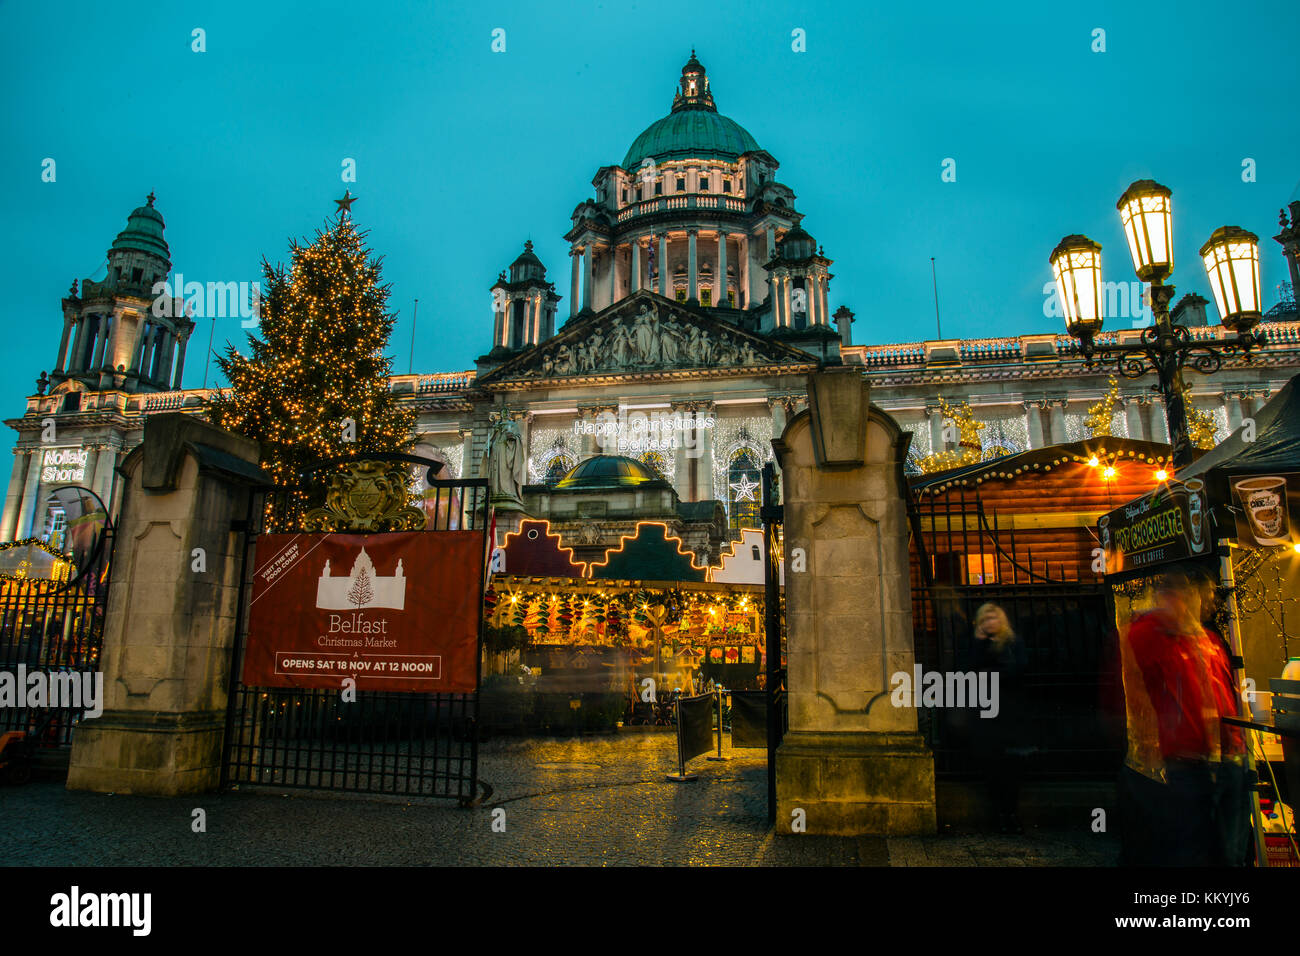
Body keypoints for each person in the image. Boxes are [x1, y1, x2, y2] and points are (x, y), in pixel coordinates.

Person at [1120, 567, 1220, 866]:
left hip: (1194, 755)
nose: (1205, 605)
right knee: (1179, 842)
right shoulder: (1152, 633)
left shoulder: (1199, 639)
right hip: (1172, 756)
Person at [1193, 567, 1251, 866]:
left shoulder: (1213, 640)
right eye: (1208, 595)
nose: (1212, 602)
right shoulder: (1194, 641)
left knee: (1230, 845)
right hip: (1211, 753)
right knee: (1224, 845)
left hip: (1228, 749)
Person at [966, 603, 1028, 834]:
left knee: (1011, 768)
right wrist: (980, 643)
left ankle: (1011, 813)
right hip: (986, 715)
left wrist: (989, 675)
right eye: (985, 619)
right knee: (991, 767)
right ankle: (999, 814)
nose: (990, 622)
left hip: (1009, 713)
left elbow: (1018, 670)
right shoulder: (977, 645)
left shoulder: (1013, 643)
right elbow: (970, 672)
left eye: (993, 618)